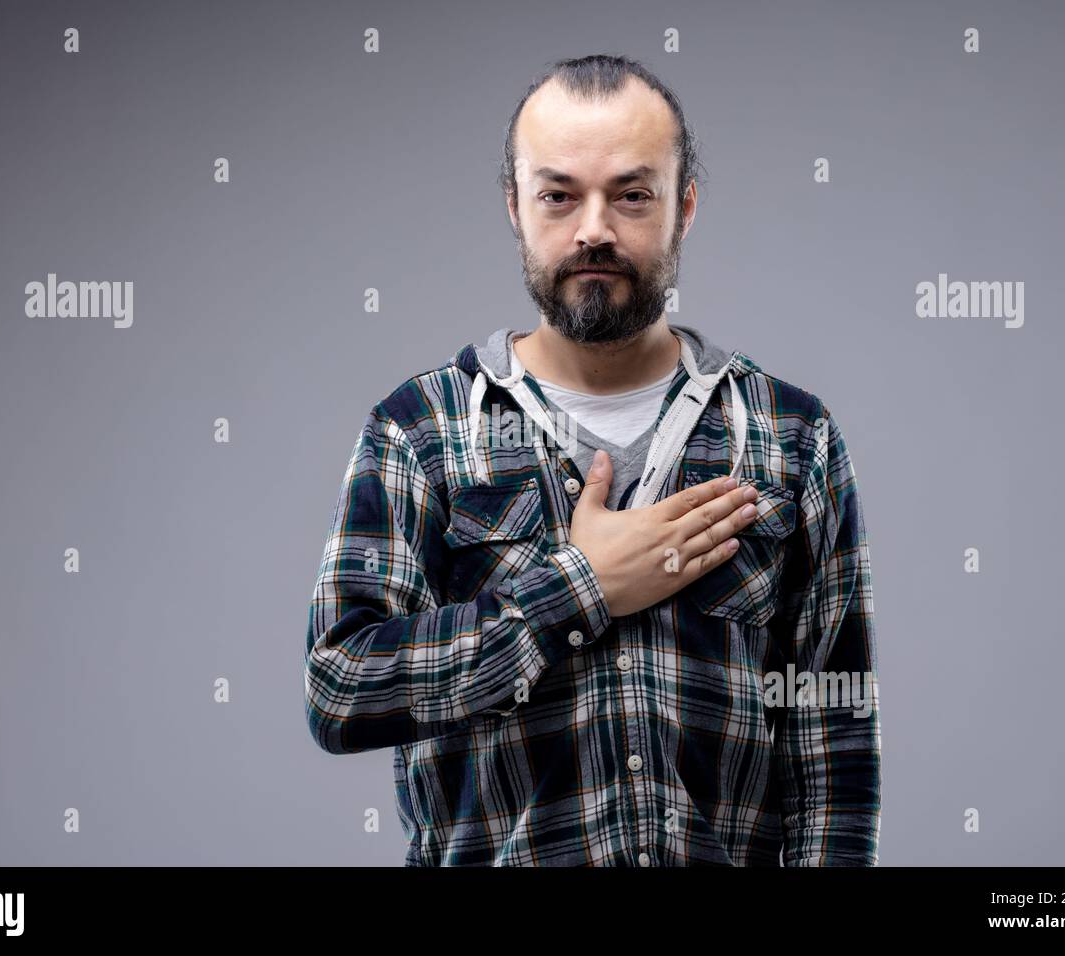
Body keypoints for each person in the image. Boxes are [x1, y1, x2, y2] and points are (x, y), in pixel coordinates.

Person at [305, 54, 880, 866]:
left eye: (632, 194)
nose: (595, 229)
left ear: (683, 207)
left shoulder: (791, 434)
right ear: (515, 206)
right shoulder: (421, 430)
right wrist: (580, 588)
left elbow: (834, 743)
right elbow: (341, 690)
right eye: (559, 195)